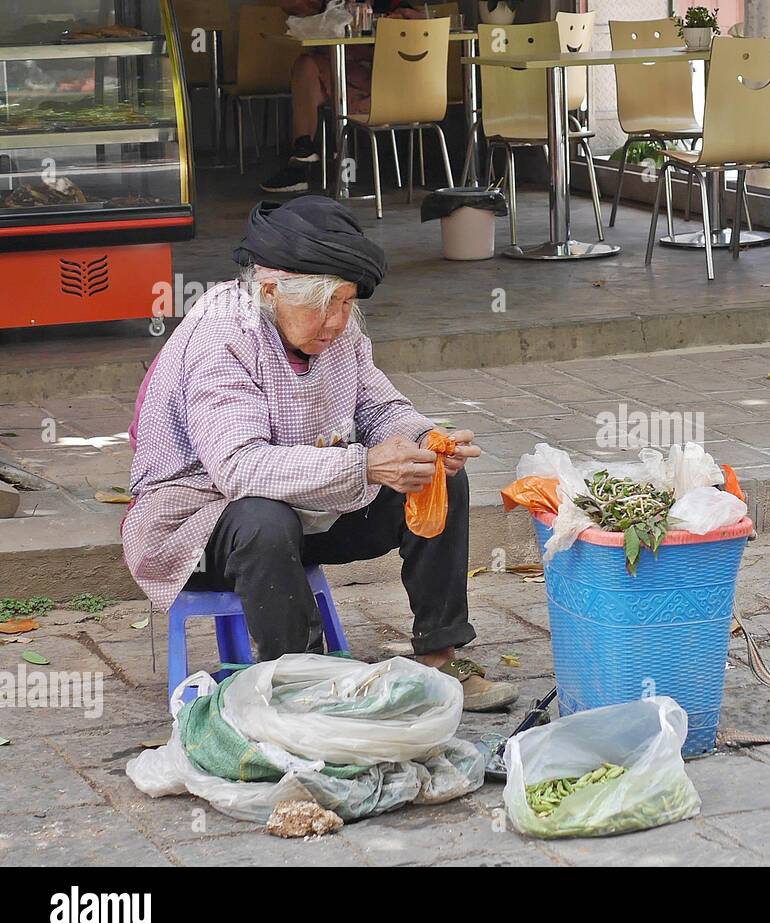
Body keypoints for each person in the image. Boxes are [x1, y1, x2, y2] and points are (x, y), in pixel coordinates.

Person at [123, 196, 517, 711]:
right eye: (325, 305)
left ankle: (441, 660)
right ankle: (300, 688)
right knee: (263, 518)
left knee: (436, 475)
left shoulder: (338, 328)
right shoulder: (222, 334)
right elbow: (239, 468)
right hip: (199, 525)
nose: (337, 320)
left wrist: (424, 438)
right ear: (270, 291)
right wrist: (367, 464)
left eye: (347, 302)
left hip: (309, 510)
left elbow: (377, 405)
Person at [261, 0, 426, 193]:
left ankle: (302, 168)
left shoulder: (389, 4)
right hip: (341, 79)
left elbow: (423, 20)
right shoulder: (330, 5)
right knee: (306, 66)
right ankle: (302, 151)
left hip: (379, 87)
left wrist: (394, 19)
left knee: (313, 70)